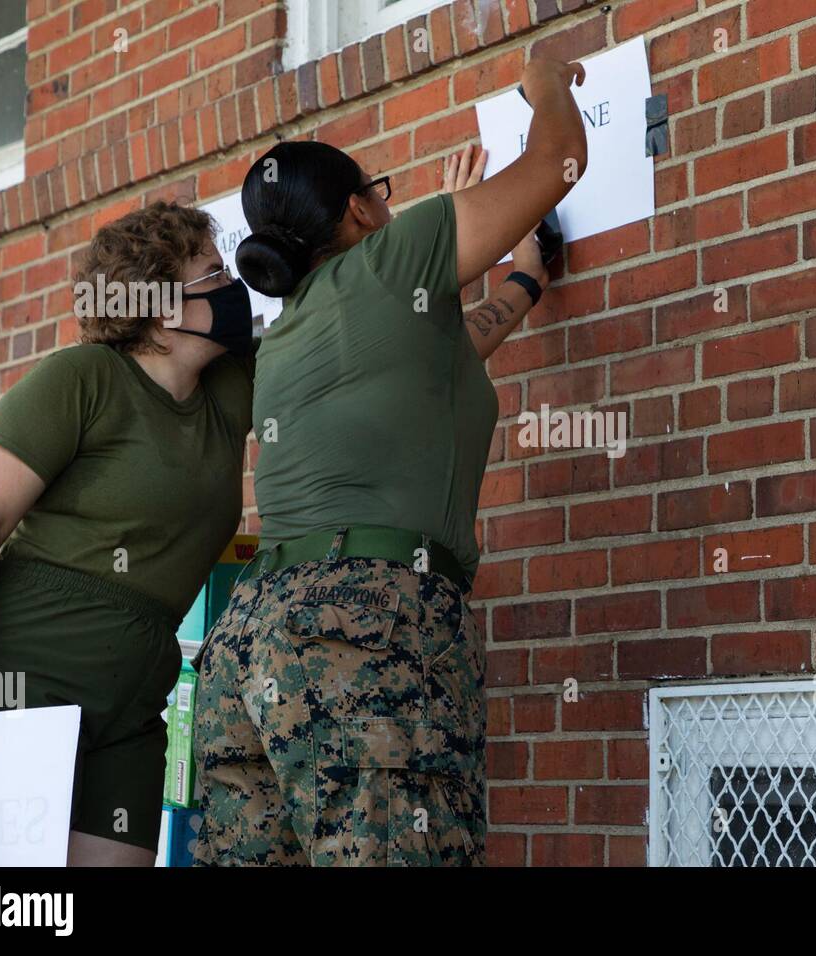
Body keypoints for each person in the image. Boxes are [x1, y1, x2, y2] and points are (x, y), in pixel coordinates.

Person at [192, 56, 588, 866]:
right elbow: (557, 165)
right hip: (363, 624)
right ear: (360, 210)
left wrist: (521, 284)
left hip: (249, 643)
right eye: (383, 190)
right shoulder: (394, 256)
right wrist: (548, 81)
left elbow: (444, 357)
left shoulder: (296, 330)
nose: (392, 202)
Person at [0, 202, 257, 866]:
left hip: (132, 697)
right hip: (17, 676)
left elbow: (356, 372)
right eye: (214, 273)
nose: (233, 287)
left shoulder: (230, 390)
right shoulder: (82, 379)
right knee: (2, 907)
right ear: (162, 304)